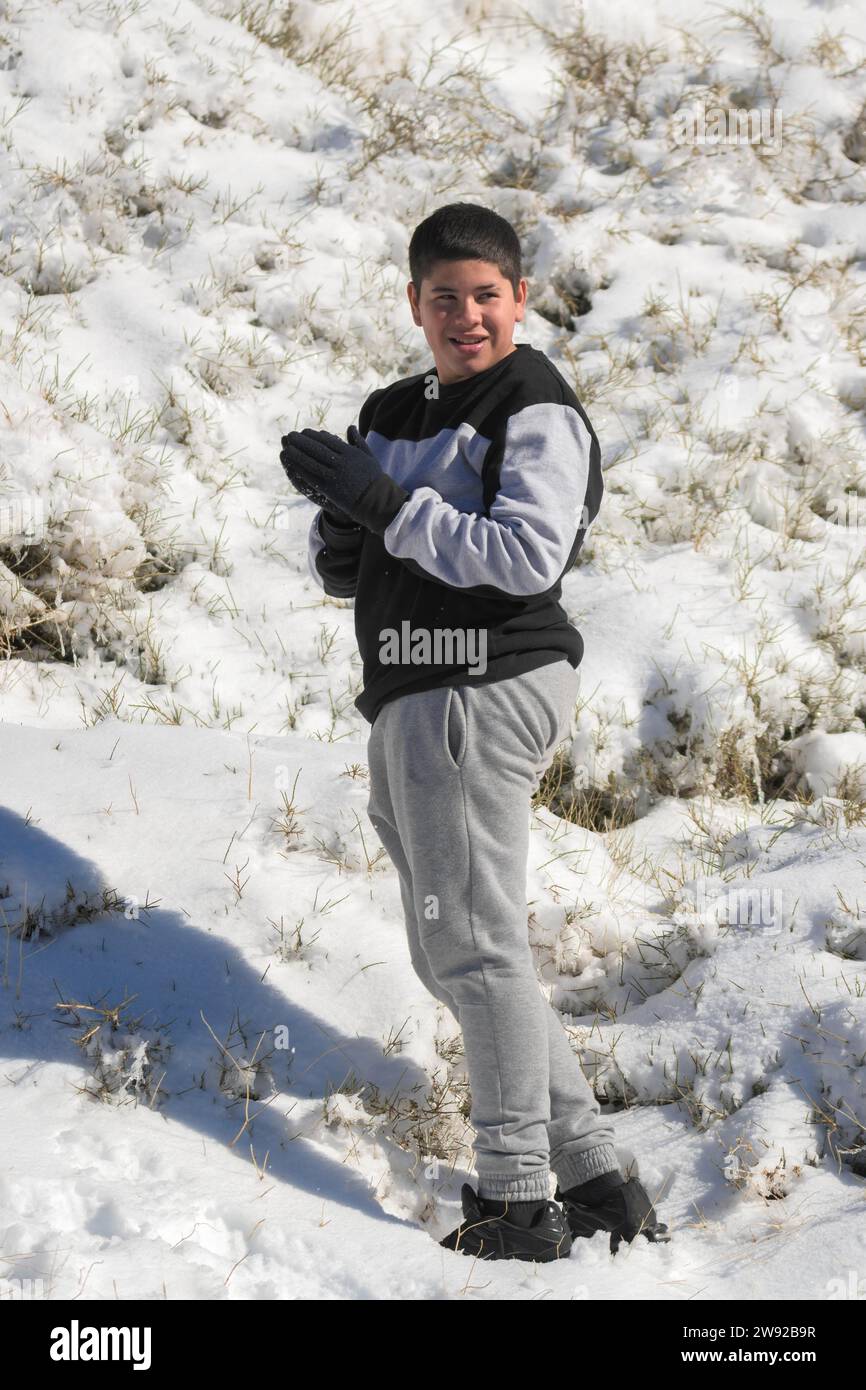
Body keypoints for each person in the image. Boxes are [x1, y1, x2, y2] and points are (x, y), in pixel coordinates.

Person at [280, 202, 668, 1261]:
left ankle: (515, 1196)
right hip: (408, 688)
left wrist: (385, 504)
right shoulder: (392, 408)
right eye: (442, 297)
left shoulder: (532, 401)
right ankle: (589, 1173)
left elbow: (524, 552)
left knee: (472, 942)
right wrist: (342, 515)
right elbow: (352, 568)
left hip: (480, 680)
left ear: (518, 300)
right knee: (451, 943)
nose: (464, 316)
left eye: (484, 295)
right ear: (413, 303)